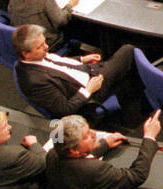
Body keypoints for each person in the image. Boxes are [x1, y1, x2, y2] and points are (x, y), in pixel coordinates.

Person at [14, 24, 145, 121]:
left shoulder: (37, 56)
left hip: (88, 71)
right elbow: (63, 110)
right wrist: (89, 90)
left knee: (123, 60)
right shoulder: (34, 81)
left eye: (44, 42)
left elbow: (59, 64)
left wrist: (82, 59)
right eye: (40, 46)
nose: (46, 47)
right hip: (91, 91)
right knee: (128, 51)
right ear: (25, 54)